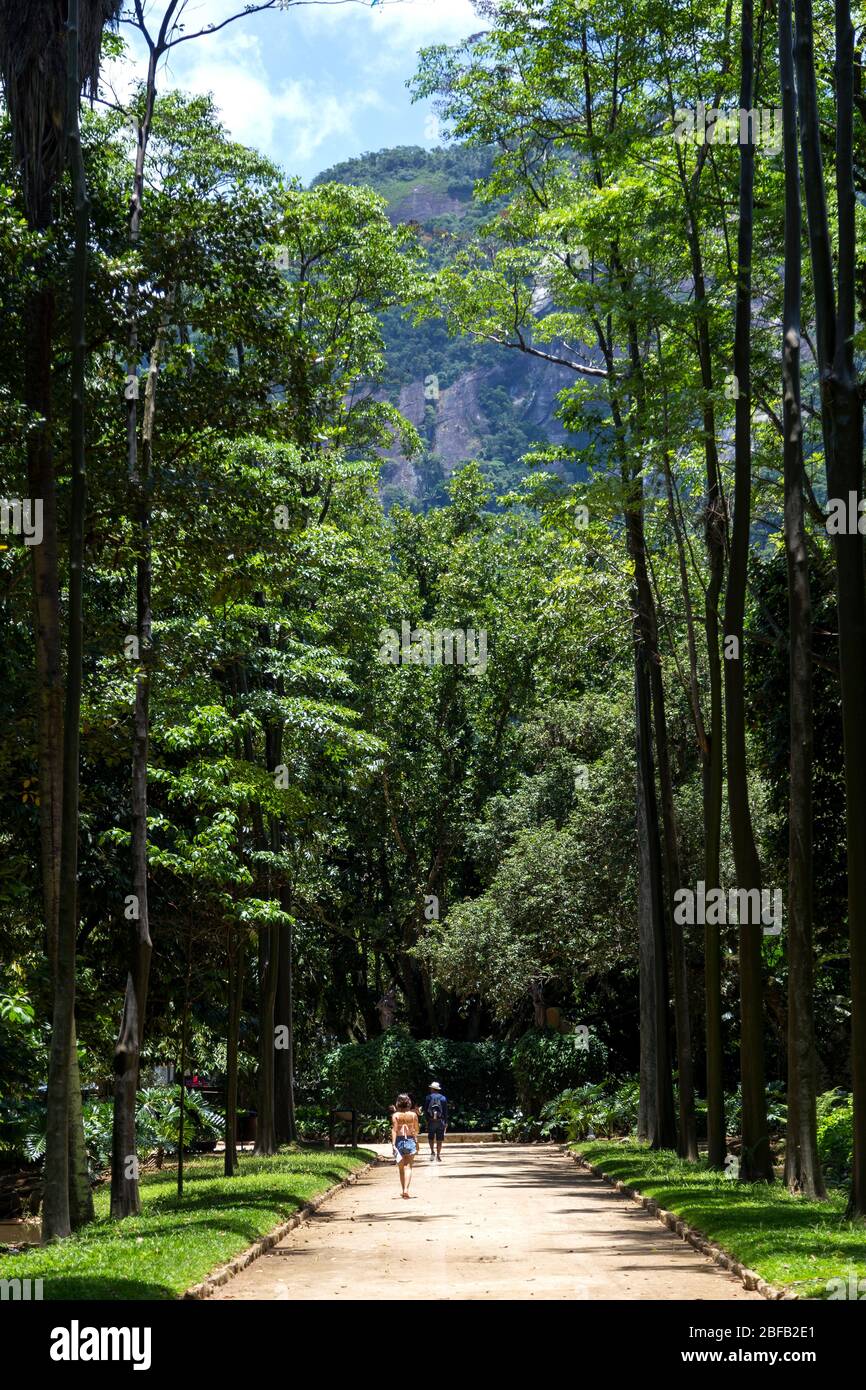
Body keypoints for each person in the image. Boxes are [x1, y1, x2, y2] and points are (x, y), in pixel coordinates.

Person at [390, 1093, 419, 1198]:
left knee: (401, 1168)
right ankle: (406, 1189)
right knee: (409, 1167)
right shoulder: (413, 1115)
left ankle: (403, 1190)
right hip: (411, 1140)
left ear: (397, 1103)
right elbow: (416, 1130)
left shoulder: (395, 1116)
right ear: (409, 1103)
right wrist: (416, 1142)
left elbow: (394, 1130)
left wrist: (393, 1144)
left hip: (399, 1141)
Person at [424, 1081, 448, 1161]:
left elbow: (426, 1110)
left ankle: (432, 1152)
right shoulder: (443, 1098)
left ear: (432, 1089)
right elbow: (445, 1112)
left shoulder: (428, 1097)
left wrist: (427, 1121)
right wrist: (446, 1122)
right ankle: (438, 1155)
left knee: (431, 1137)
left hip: (431, 1121)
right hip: (440, 1121)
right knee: (440, 1139)